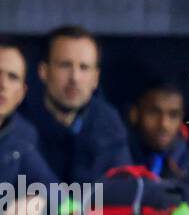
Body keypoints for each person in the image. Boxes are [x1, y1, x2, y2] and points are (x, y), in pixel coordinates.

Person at [22, 26, 131, 186]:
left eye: (84, 67)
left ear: (95, 78)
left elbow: (124, 189)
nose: (75, 78)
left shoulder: (109, 124)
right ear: (43, 71)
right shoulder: (18, 121)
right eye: (65, 65)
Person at [0, 40, 64, 215]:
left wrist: (38, 201)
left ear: (21, 93)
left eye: (12, 77)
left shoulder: (20, 136)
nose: (3, 85)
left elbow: (60, 193)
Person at [127, 79, 189, 202]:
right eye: (154, 113)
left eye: (173, 115)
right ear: (134, 114)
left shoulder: (186, 161)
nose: (164, 124)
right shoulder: (117, 153)